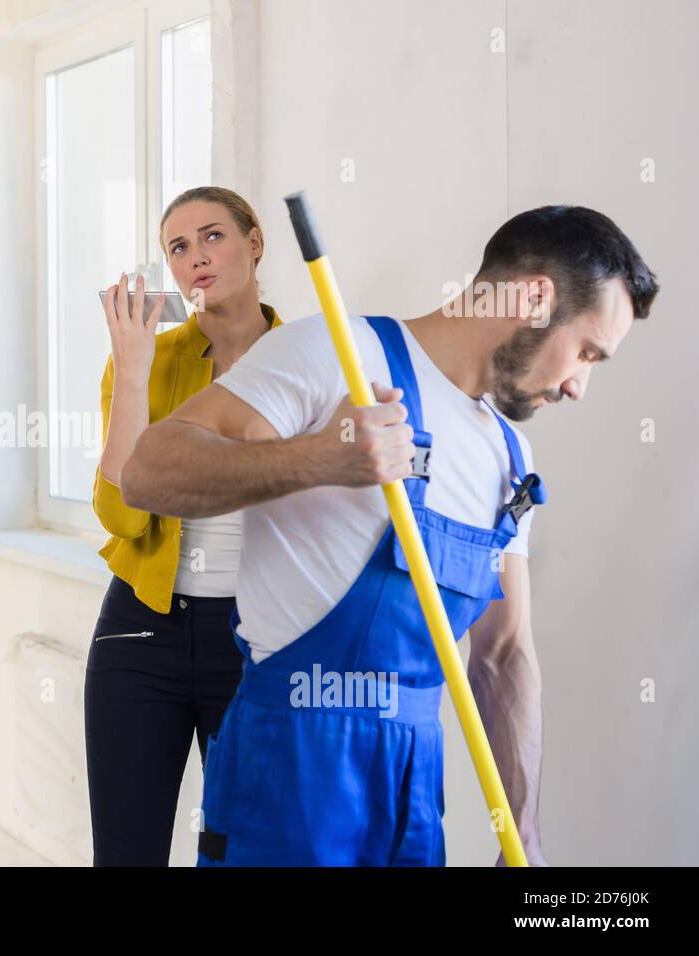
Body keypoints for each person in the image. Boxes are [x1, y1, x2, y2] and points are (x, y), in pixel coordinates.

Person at [122, 205, 658, 865]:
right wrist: (316, 458)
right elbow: (147, 473)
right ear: (534, 298)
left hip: (412, 793)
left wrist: (522, 832)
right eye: (586, 351)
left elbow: (504, 654)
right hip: (290, 772)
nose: (580, 385)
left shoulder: (511, 461)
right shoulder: (336, 355)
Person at [86, 186, 283, 865]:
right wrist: (135, 370)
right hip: (141, 631)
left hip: (258, 636)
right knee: (126, 852)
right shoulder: (148, 360)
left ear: (254, 242)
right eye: (178, 247)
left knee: (241, 848)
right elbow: (120, 513)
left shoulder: (308, 359)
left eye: (213, 236)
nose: (196, 256)